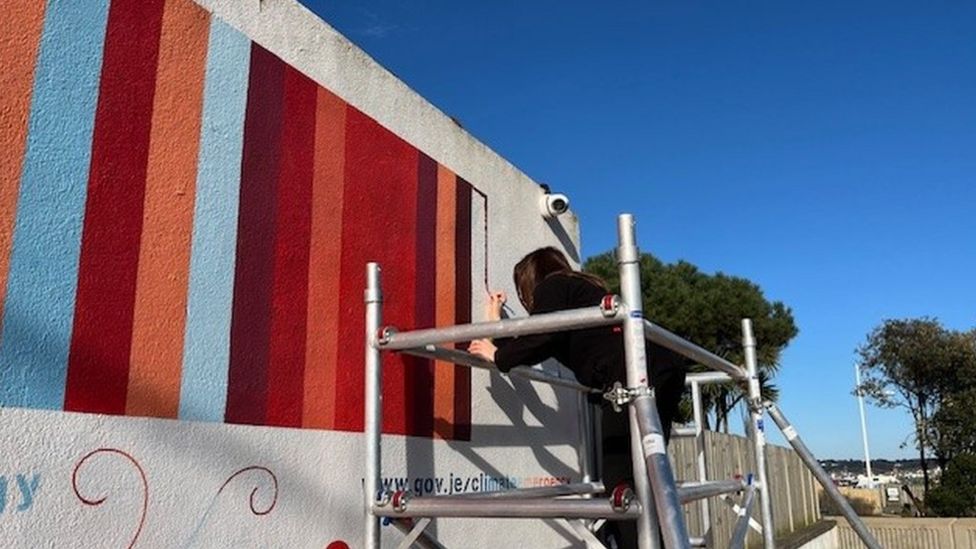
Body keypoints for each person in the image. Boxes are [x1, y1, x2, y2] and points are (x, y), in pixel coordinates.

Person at [468, 247, 688, 548]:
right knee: (647, 473)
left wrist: (497, 356)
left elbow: (542, 337)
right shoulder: (584, 291)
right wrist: (496, 324)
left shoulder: (553, 286)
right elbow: (535, 342)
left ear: (532, 279)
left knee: (620, 479)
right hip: (661, 366)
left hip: (631, 373)